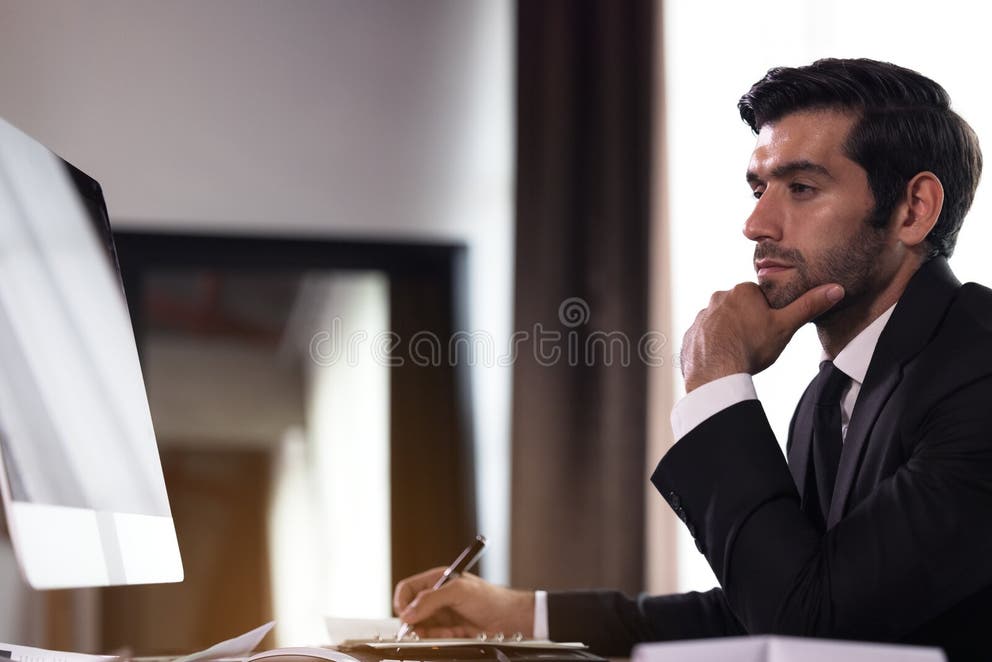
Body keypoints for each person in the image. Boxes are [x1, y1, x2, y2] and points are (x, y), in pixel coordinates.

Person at [392, 58, 992, 662]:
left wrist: (715, 379)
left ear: (914, 209)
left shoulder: (980, 371)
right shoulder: (829, 396)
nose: (756, 224)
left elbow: (809, 625)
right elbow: (765, 603)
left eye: (802, 188)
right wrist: (522, 614)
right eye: (760, 189)